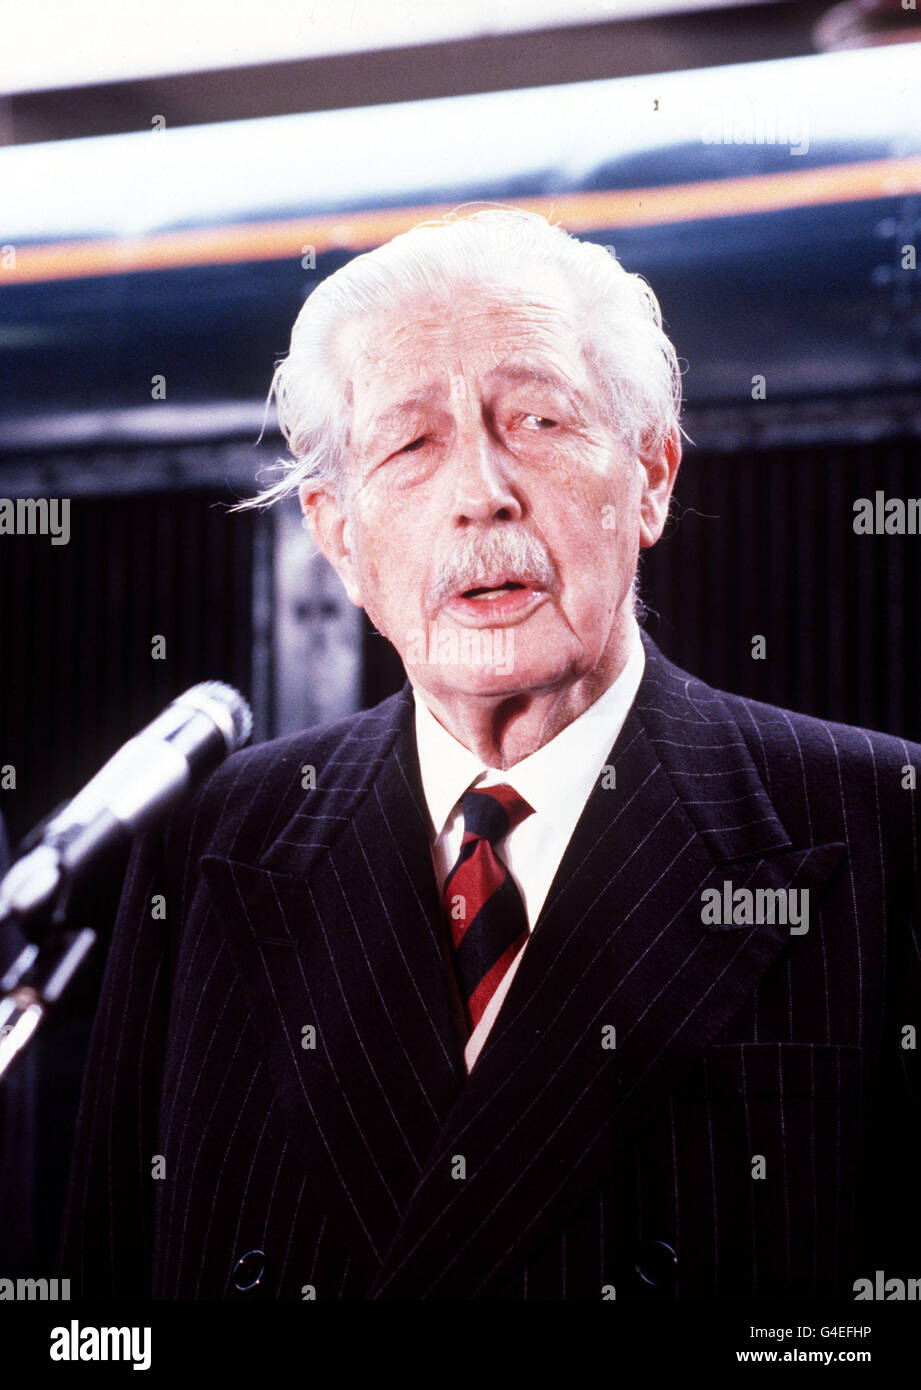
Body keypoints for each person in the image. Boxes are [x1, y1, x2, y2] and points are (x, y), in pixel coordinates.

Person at [59, 209, 920, 1301]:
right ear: (338, 536)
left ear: (652, 476)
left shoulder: (884, 828)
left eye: (542, 421)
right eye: (412, 444)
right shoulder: (212, 840)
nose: (481, 491)